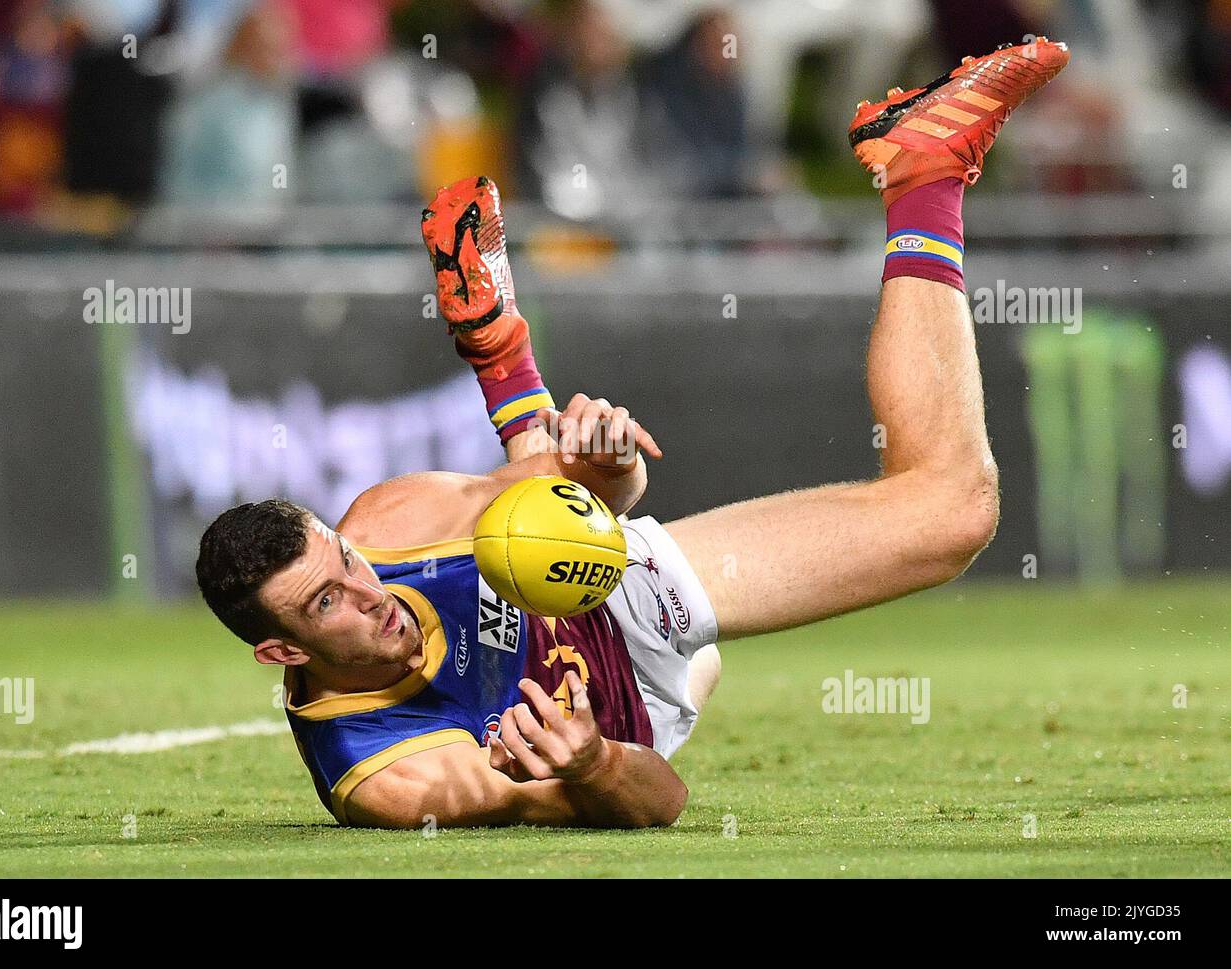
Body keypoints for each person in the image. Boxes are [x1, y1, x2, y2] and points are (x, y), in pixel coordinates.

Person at [195, 40, 1070, 828]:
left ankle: (924, 173)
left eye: (342, 562)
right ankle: (503, 360)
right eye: (324, 604)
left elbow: (582, 504)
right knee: (701, 671)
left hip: (629, 598)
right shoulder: (393, 775)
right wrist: (592, 762)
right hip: (630, 710)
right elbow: (659, 800)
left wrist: (602, 459)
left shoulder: (383, 526)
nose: (366, 589)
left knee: (952, 511)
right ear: (280, 651)